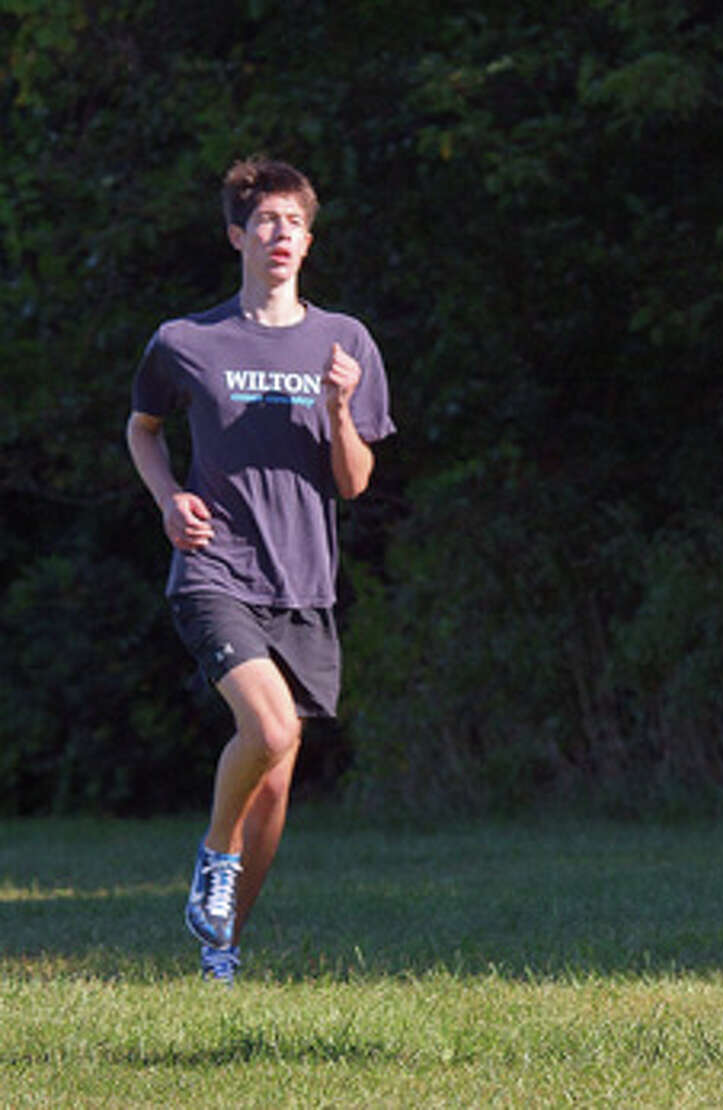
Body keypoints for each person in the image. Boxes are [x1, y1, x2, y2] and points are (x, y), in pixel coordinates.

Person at [126, 157, 395, 983]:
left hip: (305, 584)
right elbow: (143, 429)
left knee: (276, 789)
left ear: (309, 243)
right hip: (216, 572)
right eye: (266, 222)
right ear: (238, 236)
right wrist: (170, 497)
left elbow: (355, 482)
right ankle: (214, 854)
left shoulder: (344, 341)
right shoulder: (186, 341)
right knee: (269, 729)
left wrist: (342, 409)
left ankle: (222, 954)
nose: (281, 236)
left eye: (295, 224)